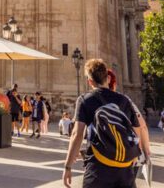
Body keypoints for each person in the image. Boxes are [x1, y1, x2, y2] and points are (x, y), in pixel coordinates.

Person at [63, 58, 151, 188]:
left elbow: (77, 134)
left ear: (90, 81)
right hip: (124, 169)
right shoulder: (124, 100)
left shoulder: (85, 100)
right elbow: (136, 130)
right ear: (108, 78)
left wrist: (68, 166)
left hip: (98, 167)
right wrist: (134, 155)